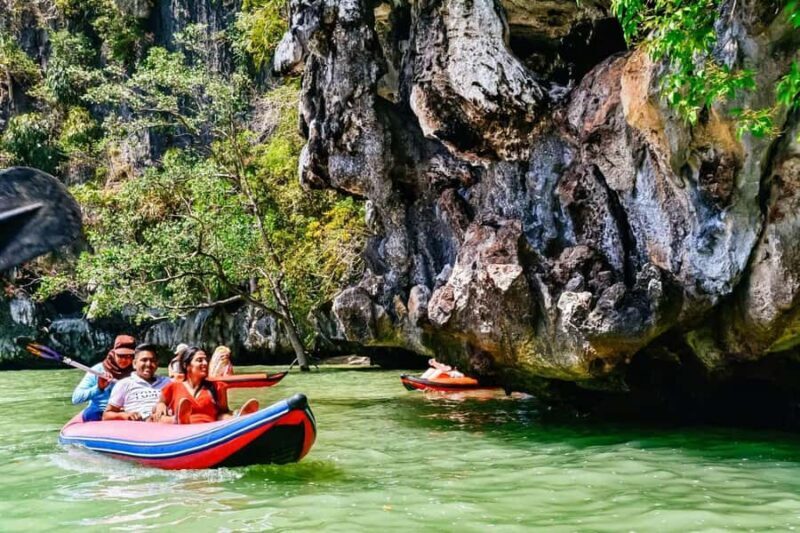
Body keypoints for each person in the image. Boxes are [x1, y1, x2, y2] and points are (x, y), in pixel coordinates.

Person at [155, 346, 258, 424]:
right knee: (161, 418)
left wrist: (231, 418)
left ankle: (238, 419)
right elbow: (160, 405)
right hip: (181, 430)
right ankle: (179, 419)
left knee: (224, 416)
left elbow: (222, 412)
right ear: (186, 366)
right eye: (199, 360)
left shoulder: (216, 387)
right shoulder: (173, 387)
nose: (205, 363)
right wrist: (160, 405)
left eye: (206, 360)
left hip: (207, 429)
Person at [71, 334, 136, 421]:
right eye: (120, 356)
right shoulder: (97, 370)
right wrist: (99, 388)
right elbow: (76, 398)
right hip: (100, 410)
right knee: (90, 414)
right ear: (113, 353)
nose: (124, 360)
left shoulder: (138, 372)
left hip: (129, 410)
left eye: (128, 356)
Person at [103, 344, 170, 421]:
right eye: (144, 360)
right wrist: (124, 416)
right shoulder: (124, 384)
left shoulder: (167, 382)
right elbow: (106, 415)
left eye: (152, 361)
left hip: (165, 422)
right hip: (138, 424)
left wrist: (162, 403)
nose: (148, 364)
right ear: (134, 364)